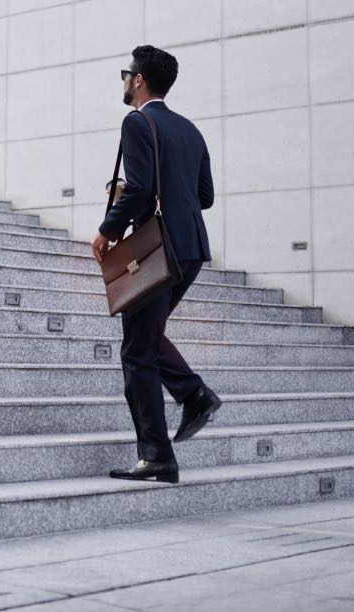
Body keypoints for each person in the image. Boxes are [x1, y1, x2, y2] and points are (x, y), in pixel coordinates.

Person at [91, 45, 221, 484]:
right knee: (146, 336)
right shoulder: (190, 129)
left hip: (157, 249)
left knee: (137, 352)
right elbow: (205, 197)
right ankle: (193, 394)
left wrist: (108, 229)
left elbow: (141, 189)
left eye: (126, 74)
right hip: (191, 248)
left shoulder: (136, 121)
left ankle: (157, 455)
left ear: (139, 80)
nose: (124, 81)